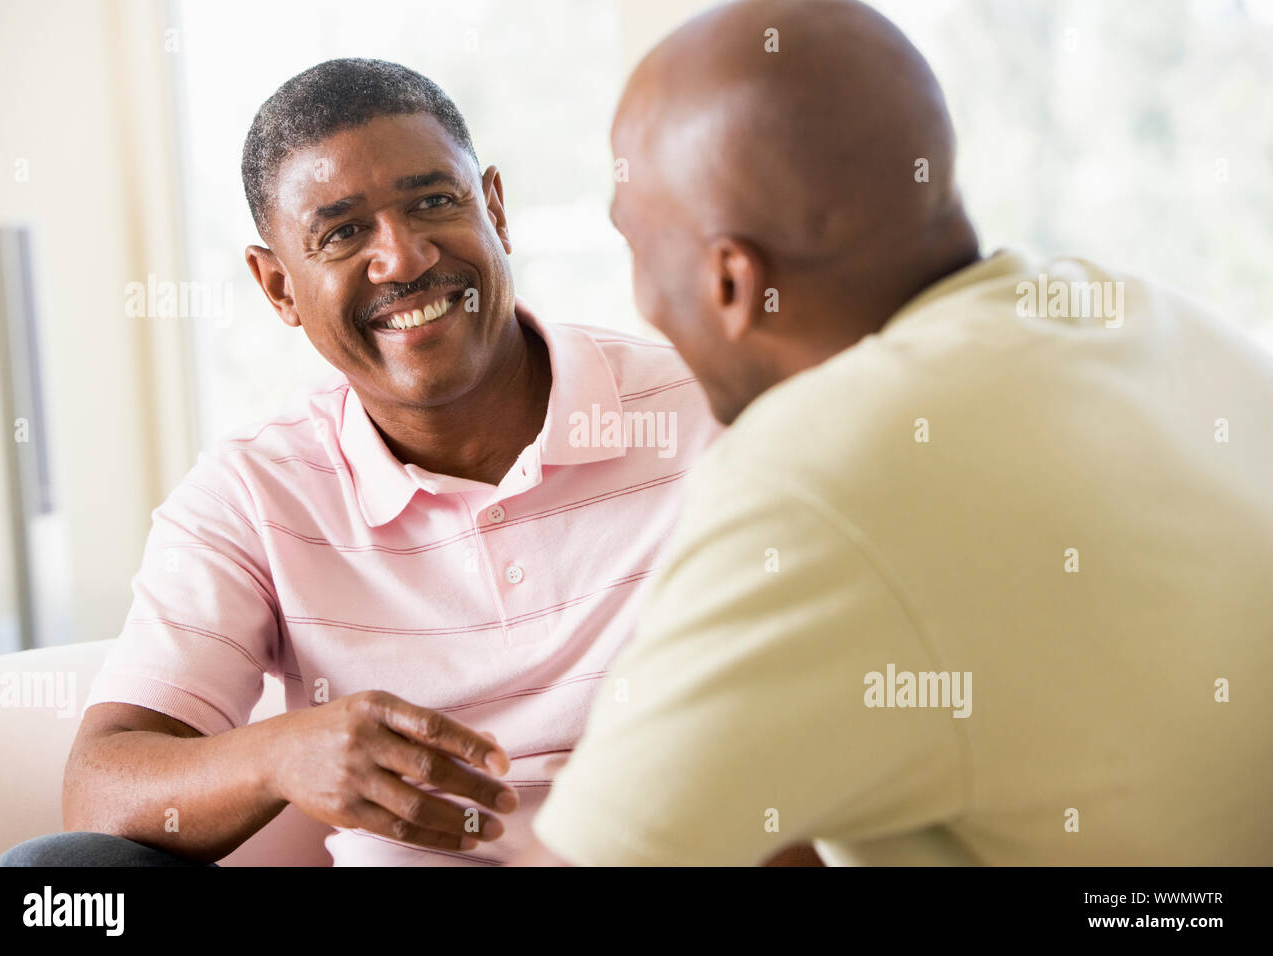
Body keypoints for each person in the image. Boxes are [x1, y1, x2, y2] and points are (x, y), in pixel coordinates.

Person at [517, 0, 1273, 865]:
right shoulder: (1143, 316)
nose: (638, 299)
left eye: (635, 246)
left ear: (733, 282)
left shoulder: (812, 473)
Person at [0, 58, 722, 867]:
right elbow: (100, 786)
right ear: (278, 287)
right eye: (342, 233)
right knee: (54, 880)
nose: (404, 259)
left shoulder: (707, 410)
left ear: (497, 211)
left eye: (434, 203)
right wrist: (281, 755)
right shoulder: (252, 493)